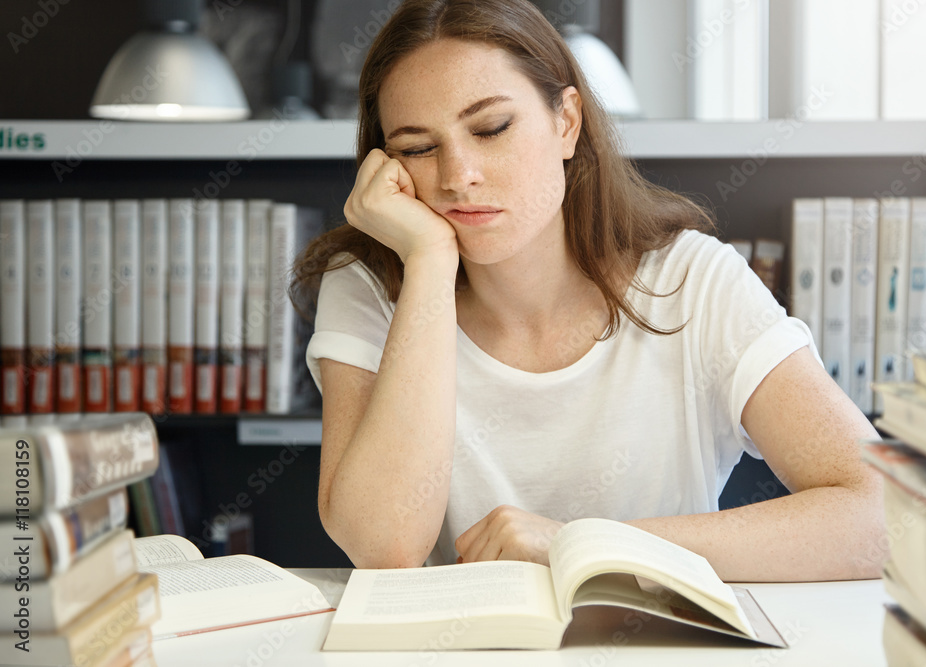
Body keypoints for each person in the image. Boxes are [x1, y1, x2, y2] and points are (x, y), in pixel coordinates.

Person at [294, 0, 886, 580]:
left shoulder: (695, 283)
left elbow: (885, 514)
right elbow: (384, 545)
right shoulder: (370, 286)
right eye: (418, 148)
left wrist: (586, 544)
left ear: (566, 123)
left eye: (492, 128)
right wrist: (427, 261)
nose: (457, 177)